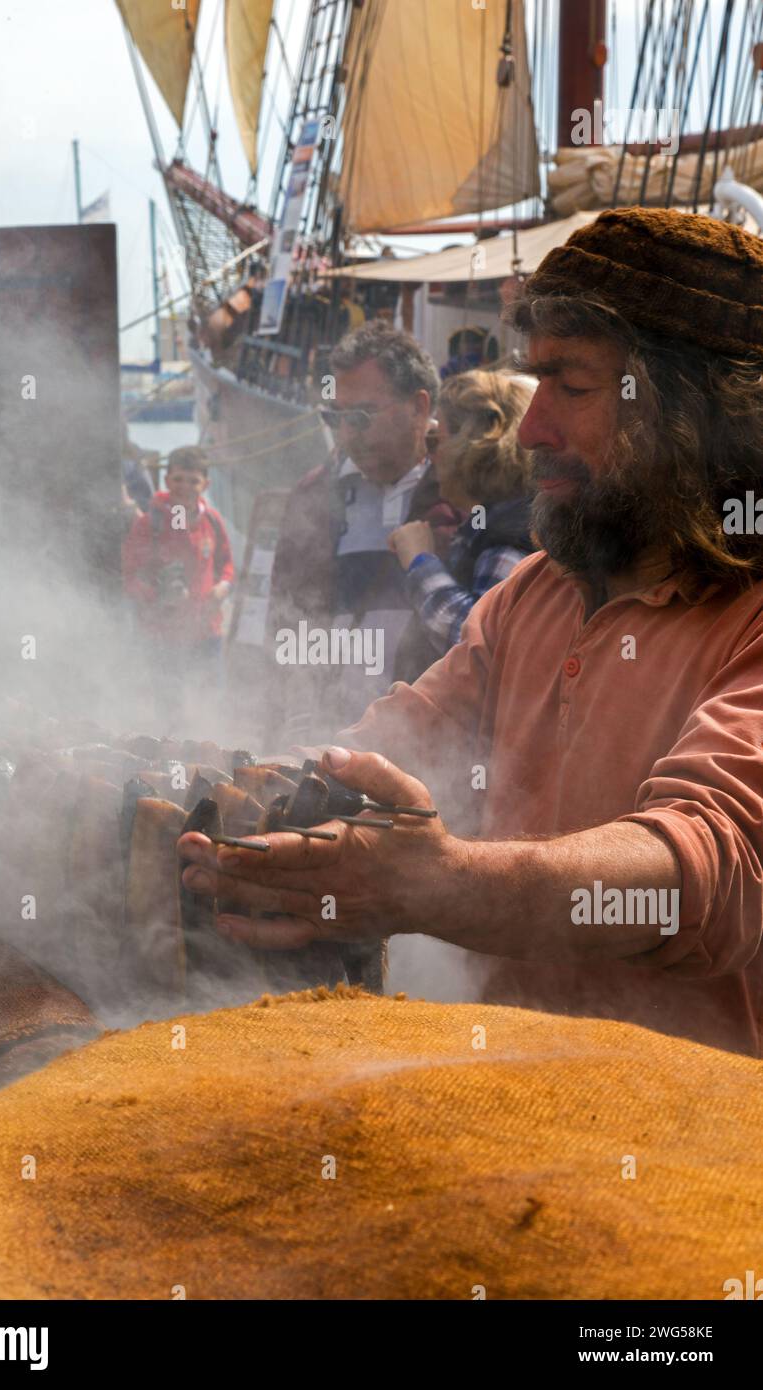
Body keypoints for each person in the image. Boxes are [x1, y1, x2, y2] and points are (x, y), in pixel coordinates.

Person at [181, 206, 763, 1057]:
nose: (532, 429)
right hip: (500, 1107)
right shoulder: (535, 594)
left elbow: (706, 871)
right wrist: (245, 814)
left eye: (571, 386)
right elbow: (403, 738)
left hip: (698, 1156)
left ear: (696, 409)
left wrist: (437, 885)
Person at [268, 320, 460, 744]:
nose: (346, 434)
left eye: (361, 416)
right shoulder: (313, 496)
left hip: (433, 749)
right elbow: (285, 623)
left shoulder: (462, 493)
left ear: (419, 406)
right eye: (335, 417)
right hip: (329, 741)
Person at [388, 369, 536, 657]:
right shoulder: (500, 519)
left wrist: (421, 563)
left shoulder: (510, 532)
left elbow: (476, 646)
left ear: (468, 445)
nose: (430, 455)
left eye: (435, 439)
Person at [123, 447, 234, 722]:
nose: (185, 487)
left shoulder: (212, 521)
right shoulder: (151, 524)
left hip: (206, 632)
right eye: (178, 480)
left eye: (193, 481)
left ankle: (211, 750)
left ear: (205, 484)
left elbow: (227, 565)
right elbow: (129, 576)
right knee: (170, 708)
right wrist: (158, 595)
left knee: (212, 702)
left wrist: (223, 588)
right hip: (164, 635)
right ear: (166, 481)